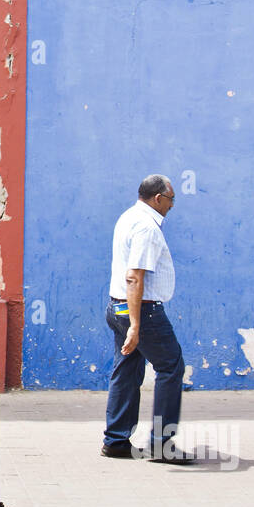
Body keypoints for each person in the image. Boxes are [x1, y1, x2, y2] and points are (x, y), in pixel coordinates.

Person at [102, 174, 194, 464]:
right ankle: (161, 445)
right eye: (171, 200)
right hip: (142, 310)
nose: (172, 206)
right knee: (171, 366)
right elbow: (134, 276)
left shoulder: (128, 217)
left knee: (127, 369)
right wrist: (137, 326)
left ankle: (116, 441)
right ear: (158, 198)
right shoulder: (146, 226)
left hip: (117, 307)